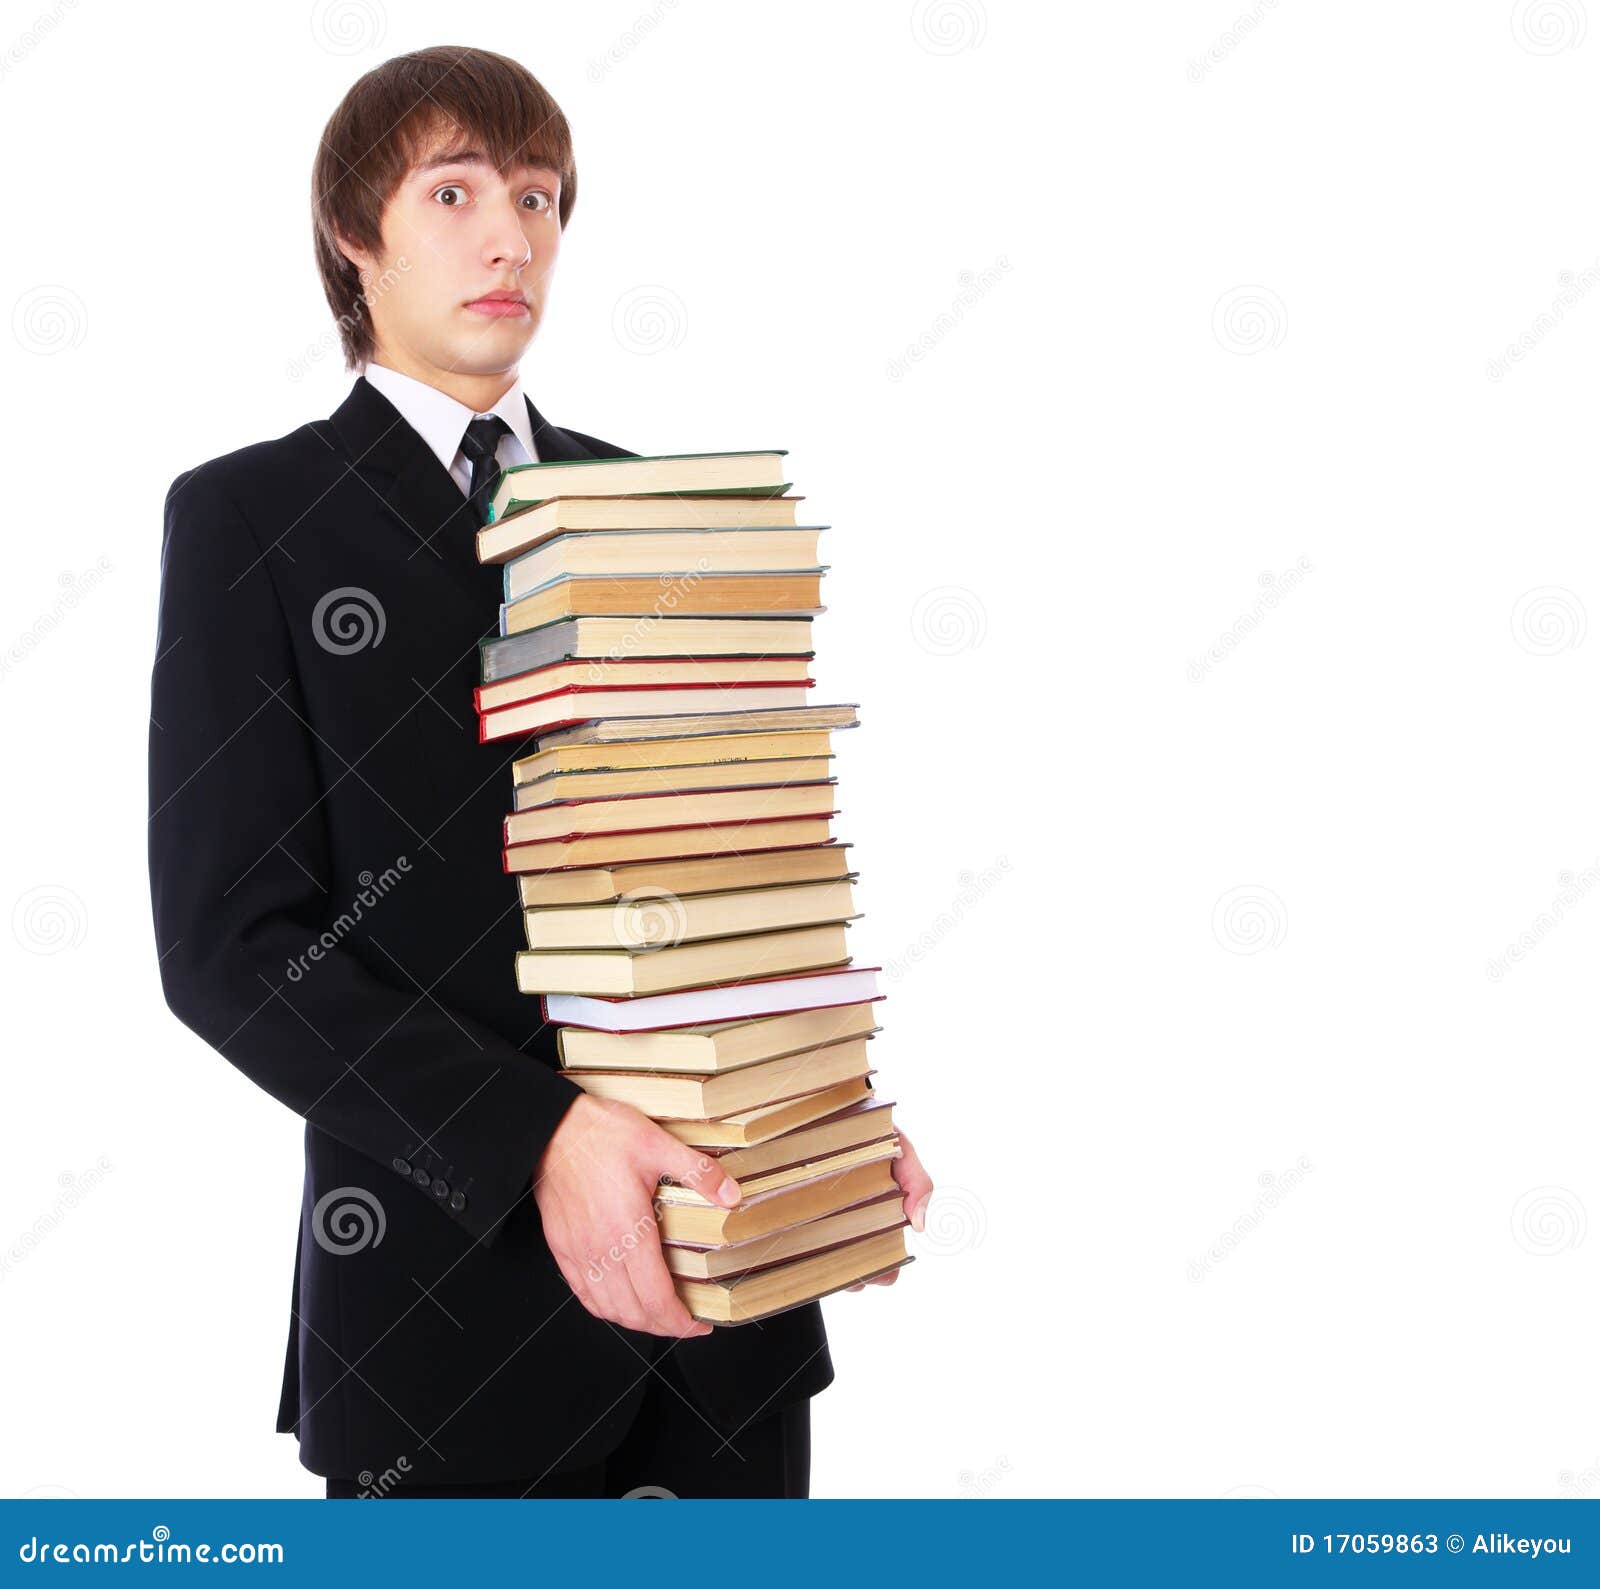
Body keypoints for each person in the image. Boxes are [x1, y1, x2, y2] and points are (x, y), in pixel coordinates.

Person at [146, 44, 932, 1500]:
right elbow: (231, 951)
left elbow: (734, 869)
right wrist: (536, 1138)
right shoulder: (252, 518)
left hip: (726, 1310)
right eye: (453, 191)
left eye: (539, 195)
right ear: (351, 233)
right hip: (447, 1334)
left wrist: (820, 1106)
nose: (511, 234)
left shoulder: (655, 503)